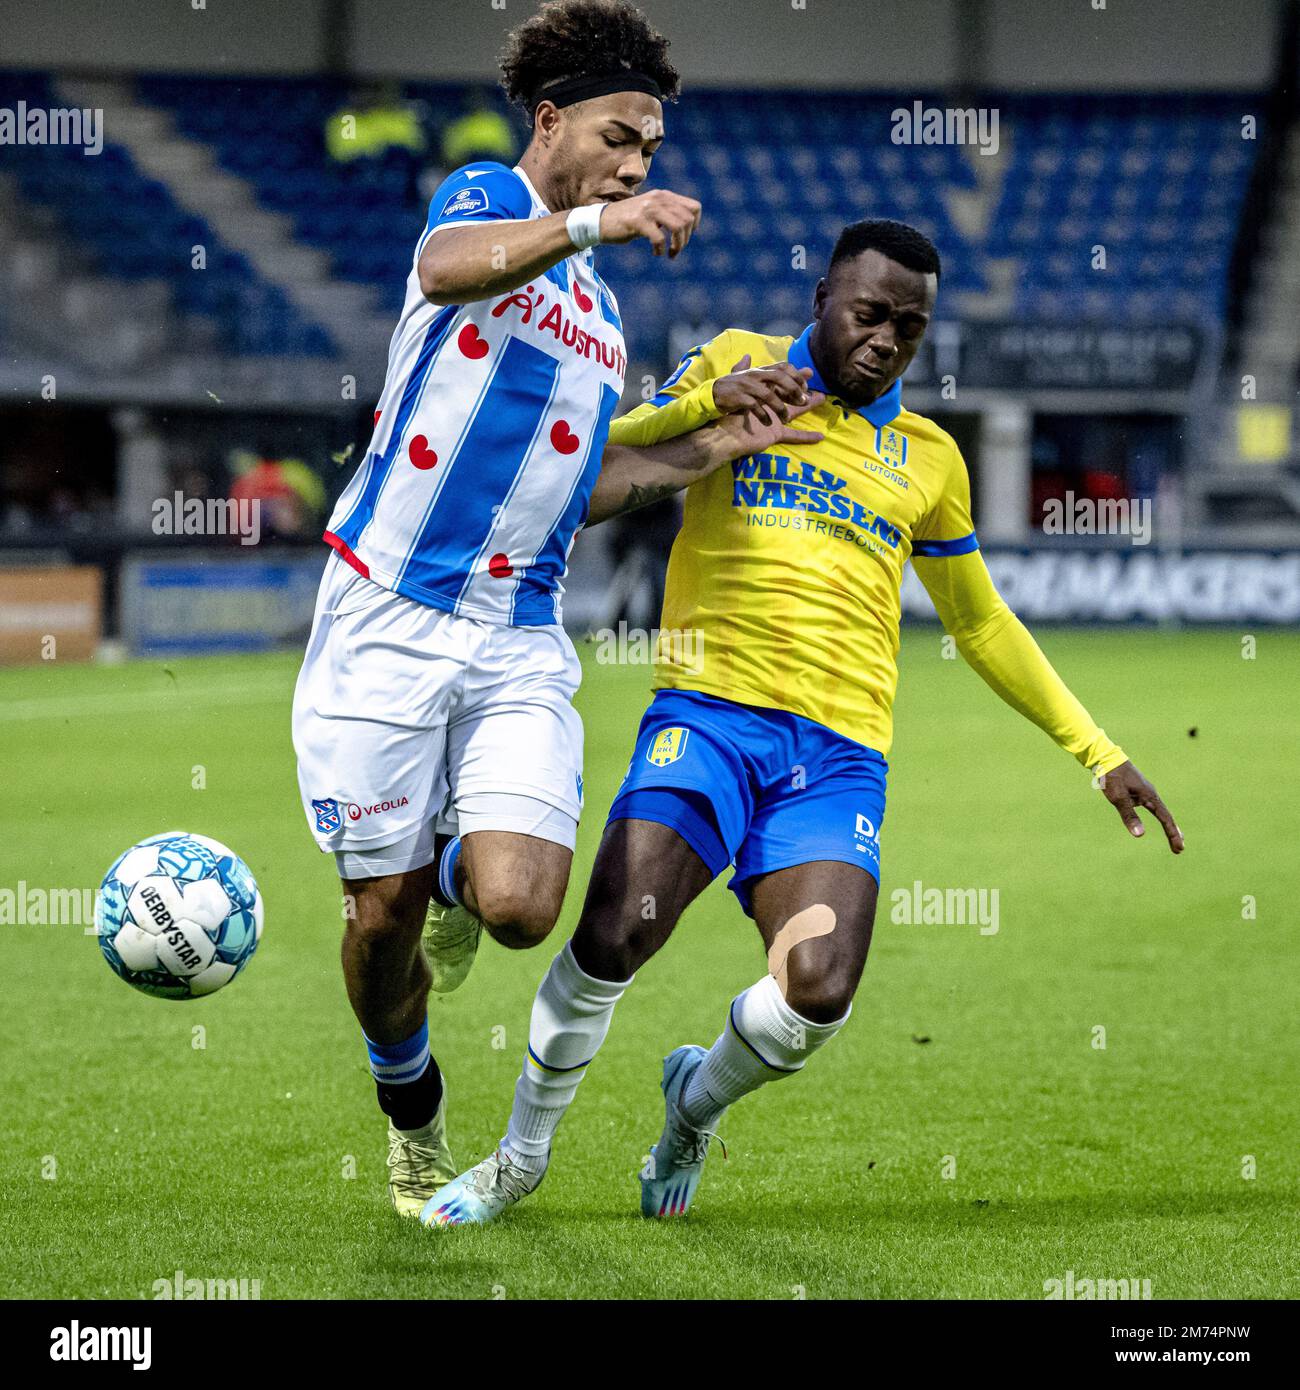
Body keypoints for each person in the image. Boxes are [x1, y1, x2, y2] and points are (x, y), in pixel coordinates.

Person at [423, 218, 1185, 1227]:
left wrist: (1101, 754)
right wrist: (708, 407)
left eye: (908, 329)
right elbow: (594, 460)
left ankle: (690, 1104)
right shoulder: (739, 363)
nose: (885, 340)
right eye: (869, 313)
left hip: (835, 761)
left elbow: (980, 621)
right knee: (612, 934)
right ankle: (519, 1159)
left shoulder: (929, 459)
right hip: (707, 717)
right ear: (823, 294)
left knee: (813, 998)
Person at [290, 0, 821, 1220]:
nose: (640, 165)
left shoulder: (599, 315)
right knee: (381, 924)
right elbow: (443, 270)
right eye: (623, 137)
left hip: (516, 632)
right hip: (387, 613)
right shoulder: (485, 204)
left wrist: (706, 444)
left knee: (524, 904)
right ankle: (408, 1107)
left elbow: (584, 489)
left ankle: (469, 889)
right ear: (552, 120)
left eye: (651, 151)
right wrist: (592, 219)